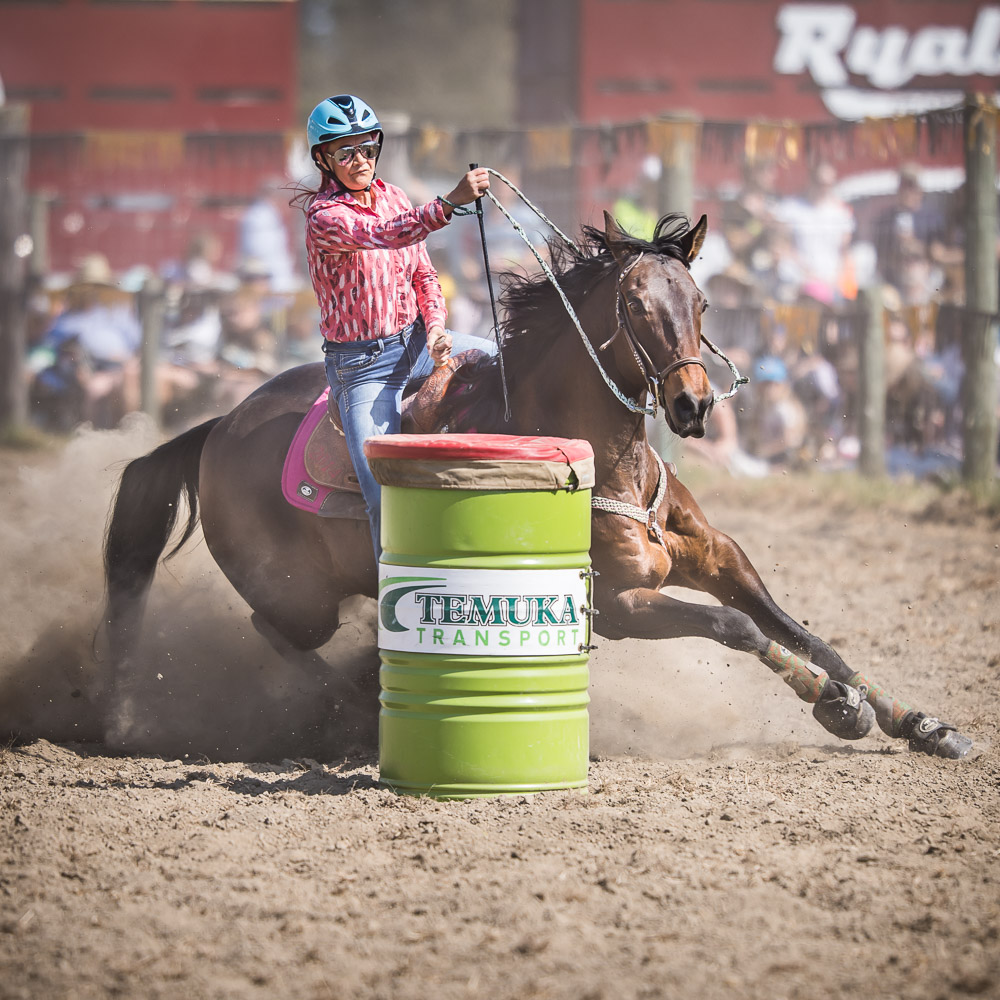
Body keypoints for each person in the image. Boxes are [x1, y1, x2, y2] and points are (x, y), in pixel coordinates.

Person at [301, 94, 494, 559]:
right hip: (362, 369)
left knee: (501, 361)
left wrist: (436, 327)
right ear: (323, 160)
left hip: (417, 342)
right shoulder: (325, 217)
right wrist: (450, 203)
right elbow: (386, 235)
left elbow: (423, 274)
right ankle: (397, 600)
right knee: (384, 493)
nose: (359, 161)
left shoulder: (394, 196)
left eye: (366, 148)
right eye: (344, 152)